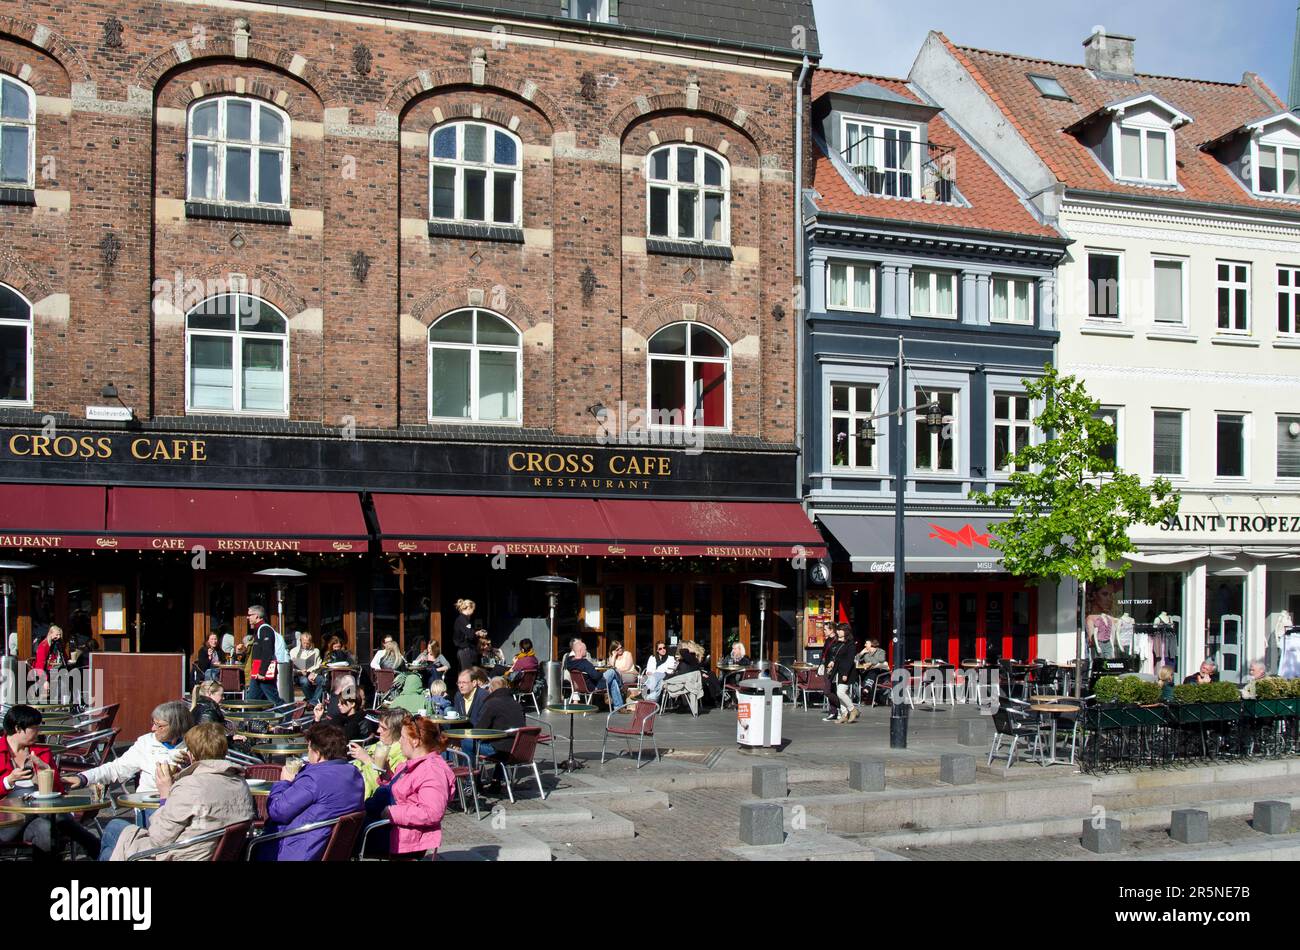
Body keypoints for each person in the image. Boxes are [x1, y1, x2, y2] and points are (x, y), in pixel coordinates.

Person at [104, 722, 256, 861]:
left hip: (180, 855)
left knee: (114, 829)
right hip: (214, 854)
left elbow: (158, 837)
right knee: (117, 837)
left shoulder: (190, 787)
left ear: (191, 754)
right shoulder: (240, 783)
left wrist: (165, 794)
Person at [0, 705, 100, 860]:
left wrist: (46, 771)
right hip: (6, 823)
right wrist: (8, 781)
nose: (38, 732)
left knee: (46, 830)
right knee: (48, 812)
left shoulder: (41, 753)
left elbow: (59, 793)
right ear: (18, 728)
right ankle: (93, 845)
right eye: (34, 728)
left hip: (37, 818)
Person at [259, 723, 365, 861]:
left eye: (308, 748)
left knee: (246, 846)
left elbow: (278, 811)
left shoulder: (314, 780)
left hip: (298, 849)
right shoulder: (354, 773)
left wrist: (283, 783)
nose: (307, 753)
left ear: (318, 754)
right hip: (333, 849)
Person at [64, 701, 192, 798]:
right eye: (153, 723)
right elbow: (116, 769)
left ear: (177, 726)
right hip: (149, 805)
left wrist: (192, 766)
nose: (153, 728)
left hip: (183, 807)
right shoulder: (146, 743)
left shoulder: (194, 745)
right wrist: (83, 778)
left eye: (159, 725)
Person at [370, 718, 457, 860]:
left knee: (345, 837)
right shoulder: (413, 764)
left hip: (404, 837)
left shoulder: (432, 771)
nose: (400, 742)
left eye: (403, 737)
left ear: (415, 741)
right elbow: (403, 793)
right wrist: (387, 776)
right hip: (393, 828)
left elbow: (432, 813)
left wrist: (393, 812)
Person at [467, 676, 525, 780]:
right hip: (518, 749)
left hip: (500, 751)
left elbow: (479, 730)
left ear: (491, 689)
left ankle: (471, 782)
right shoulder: (517, 704)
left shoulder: (492, 703)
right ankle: (496, 781)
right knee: (503, 741)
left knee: (467, 743)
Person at [349, 709, 411, 799]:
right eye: (379, 726)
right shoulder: (378, 746)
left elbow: (381, 789)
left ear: (398, 732)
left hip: (368, 804)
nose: (378, 730)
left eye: (384, 728)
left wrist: (367, 760)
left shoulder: (402, 757)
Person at [565, 638, 623, 707]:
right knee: (611, 671)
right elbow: (596, 676)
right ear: (580, 651)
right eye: (585, 649)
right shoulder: (585, 663)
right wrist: (601, 673)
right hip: (593, 686)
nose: (586, 651)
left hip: (580, 686)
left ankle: (619, 706)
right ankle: (621, 686)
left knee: (613, 681)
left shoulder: (569, 661)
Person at [244, 605, 281, 704]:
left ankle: (290, 715)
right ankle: (253, 719)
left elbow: (267, 652)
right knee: (252, 700)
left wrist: (262, 672)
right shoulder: (259, 629)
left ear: (256, 616)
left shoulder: (265, 629)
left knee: (274, 699)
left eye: (250, 615)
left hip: (262, 672)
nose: (248, 617)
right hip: (257, 671)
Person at [826, 624, 859, 724]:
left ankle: (853, 709)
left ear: (846, 631)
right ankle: (844, 714)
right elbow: (834, 656)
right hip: (837, 670)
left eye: (841, 630)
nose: (838, 632)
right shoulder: (837, 642)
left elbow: (849, 660)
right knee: (839, 693)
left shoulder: (850, 644)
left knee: (840, 692)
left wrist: (845, 673)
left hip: (847, 671)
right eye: (838, 630)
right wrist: (832, 662)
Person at [291, 631, 323, 703]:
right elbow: (291, 668)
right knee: (304, 681)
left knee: (323, 680)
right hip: (299, 674)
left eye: (308, 643)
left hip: (313, 673)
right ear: (301, 641)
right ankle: (313, 701)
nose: (306, 645)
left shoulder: (316, 651)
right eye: (304, 643)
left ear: (311, 642)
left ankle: (312, 702)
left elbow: (319, 665)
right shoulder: (294, 651)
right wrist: (300, 671)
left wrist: (313, 673)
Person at [453, 599, 478, 675]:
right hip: (465, 651)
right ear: (468, 608)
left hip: (462, 651)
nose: (473, 612)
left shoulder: (462, 620)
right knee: (467, 674)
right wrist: (476, 633)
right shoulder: (463, 620)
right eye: (473, 609)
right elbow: (471, 636)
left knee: (463, 674)